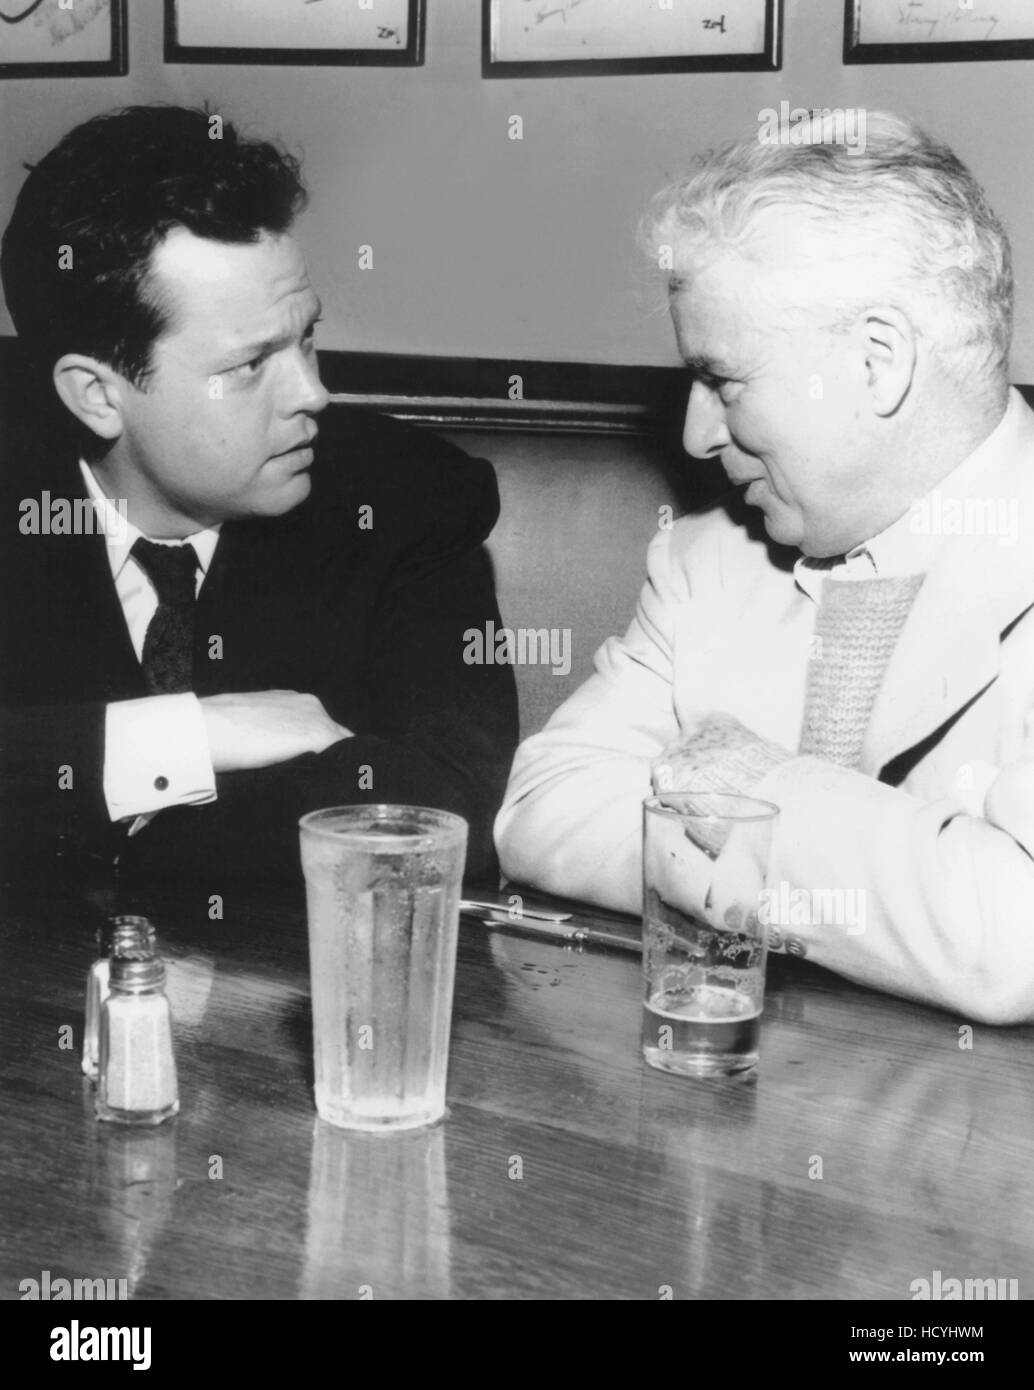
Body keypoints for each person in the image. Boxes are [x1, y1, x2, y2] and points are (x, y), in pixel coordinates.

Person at [496, 110, 1034, 1024]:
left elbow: (1015, 939)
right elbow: (543, 810)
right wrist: (875, 891)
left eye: (724, 380)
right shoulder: (708, 557)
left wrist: (748, 785)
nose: (696, 434)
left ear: (876, 362)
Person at [0, 105, 517, 892]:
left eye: (305, 336)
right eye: (249, 365)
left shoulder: (409, 500)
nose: (314, 392)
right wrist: (190, 739)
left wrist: (86, 804)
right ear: (96, 396)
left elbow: (443, 816)